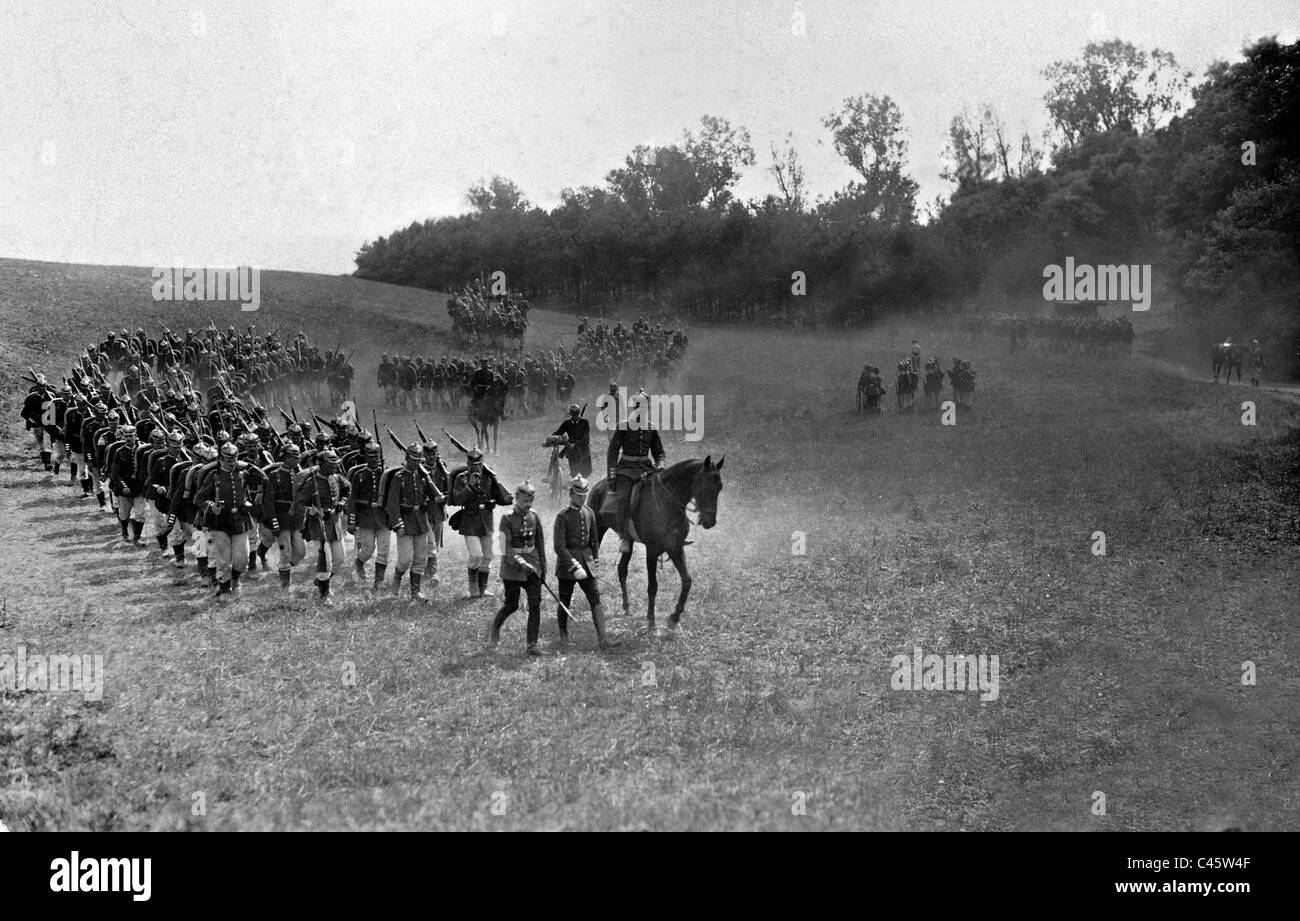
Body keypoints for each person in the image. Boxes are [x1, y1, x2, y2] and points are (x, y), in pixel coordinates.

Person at [194, 442, 267, 598]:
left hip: (240, 520)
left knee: (242, 558)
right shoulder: (213, 475)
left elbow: (263, 477)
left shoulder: (243, 473)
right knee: (222, 559)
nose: (232, 463)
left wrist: (247, 465)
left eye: (234, 459)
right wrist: (211, 506)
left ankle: (235, 579)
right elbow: (199, 498)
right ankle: (225, 589)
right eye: (228, 460)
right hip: (219, 522)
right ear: (221, 459)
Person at [553, 475, 612, 650]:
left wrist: (595, 560)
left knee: (596, 599)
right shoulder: (562, 516)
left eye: (584, 495)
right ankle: (563, 637)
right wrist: (573, 565)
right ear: (571, 494)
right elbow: (559, 546)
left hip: (587, 564)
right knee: (565, 600)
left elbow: (594, 540)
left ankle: (603, 639)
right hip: (567, 567)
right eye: (579, 495)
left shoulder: (589, 513)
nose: (582, 498)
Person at [489, 481, 547, 655]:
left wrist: (542, 567)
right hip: (512, 568)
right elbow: (502, 547)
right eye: (524, 502)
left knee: (535, 605)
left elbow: (540, 543)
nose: (528, 506)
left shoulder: (534, 516)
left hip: (533, 565)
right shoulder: (506, 518)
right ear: (516, 498)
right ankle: (494, 629)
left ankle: (532, 644)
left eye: (530, 502)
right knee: (511, 604)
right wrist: (520, 562)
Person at [448, 447, 512, 598]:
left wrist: (501, 499)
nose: (477, 467)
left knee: (488, 556)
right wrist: (470, 486)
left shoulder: (488, 477)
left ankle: (483, 589)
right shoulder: (462, 478)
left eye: (479, 463)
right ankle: (473, 590)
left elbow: (501, 497)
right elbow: (457, 500)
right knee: (476, 555)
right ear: (468, 464)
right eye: (473, 464)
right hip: (469, 521)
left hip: (487, 520)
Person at [383, 443, 442, 601]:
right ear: (407, 458)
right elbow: (392, 504)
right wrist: (397, 524)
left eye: (418, 460)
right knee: (406, 559)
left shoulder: (422, 476)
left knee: (421, 558)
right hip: (405, 520)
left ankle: (415, 592)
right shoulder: (399, 478)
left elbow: (435, 496)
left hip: (421, 520)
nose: (416, 463)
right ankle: (396, 580)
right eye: (413, 459)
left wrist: (430, 481)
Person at [293, 448, 350, 604]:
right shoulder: (312, 483)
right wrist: (311, 510)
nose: (335, 467)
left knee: (339, 559)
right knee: (325, 559)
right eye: (331, 464)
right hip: (317, 524)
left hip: (335, 523)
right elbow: (299, 504)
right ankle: (323, 596)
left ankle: (323, 582)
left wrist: (342, 502)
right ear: (322, 464)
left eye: (336, 464)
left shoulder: (337, 478)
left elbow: (347, 489)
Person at [605, 403, 665, 552]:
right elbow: (613, 452)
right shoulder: (623, 426)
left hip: (647, 469)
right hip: (626, 470)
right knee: (623, 498)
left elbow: (659, 452)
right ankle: (625, 536)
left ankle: (665, 531)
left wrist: (660, 463)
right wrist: (612, 476)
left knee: (663, 495)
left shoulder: (651, 427)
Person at [347, 441, 390, 589]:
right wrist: (351, 521)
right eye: (371, 456)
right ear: (365, 456)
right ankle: (359, 562)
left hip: (383, 517)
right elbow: (352, 500)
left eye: (376, 456)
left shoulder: (386, 474)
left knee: (384, 551)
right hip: (365, 518)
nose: (374, 459)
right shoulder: (358, 475)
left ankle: (378, 581)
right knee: (368, 550)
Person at [550, 403, 592, 478]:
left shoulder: (585, 423)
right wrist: (552, 436)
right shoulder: (567, 423)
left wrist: (575, 444)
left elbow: (586, 439)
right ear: (571, 414)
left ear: (579, 413)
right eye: (573, 414)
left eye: (576, 414)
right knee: (574, 473)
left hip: (583, 450)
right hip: (572, 452)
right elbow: (559, 432)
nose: (575, 416)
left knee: (586, 472)